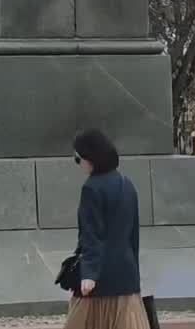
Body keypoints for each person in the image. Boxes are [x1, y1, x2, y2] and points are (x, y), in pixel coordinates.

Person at [65, 128, 150, 329]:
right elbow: (133, 235)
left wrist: (89, 274)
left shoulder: (91, 188)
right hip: (126, 276)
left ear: (90, 158)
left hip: (98, 279)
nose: (79, 164)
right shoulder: (127, 184)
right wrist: (134, 274)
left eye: (78, 159)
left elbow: (91, 234)